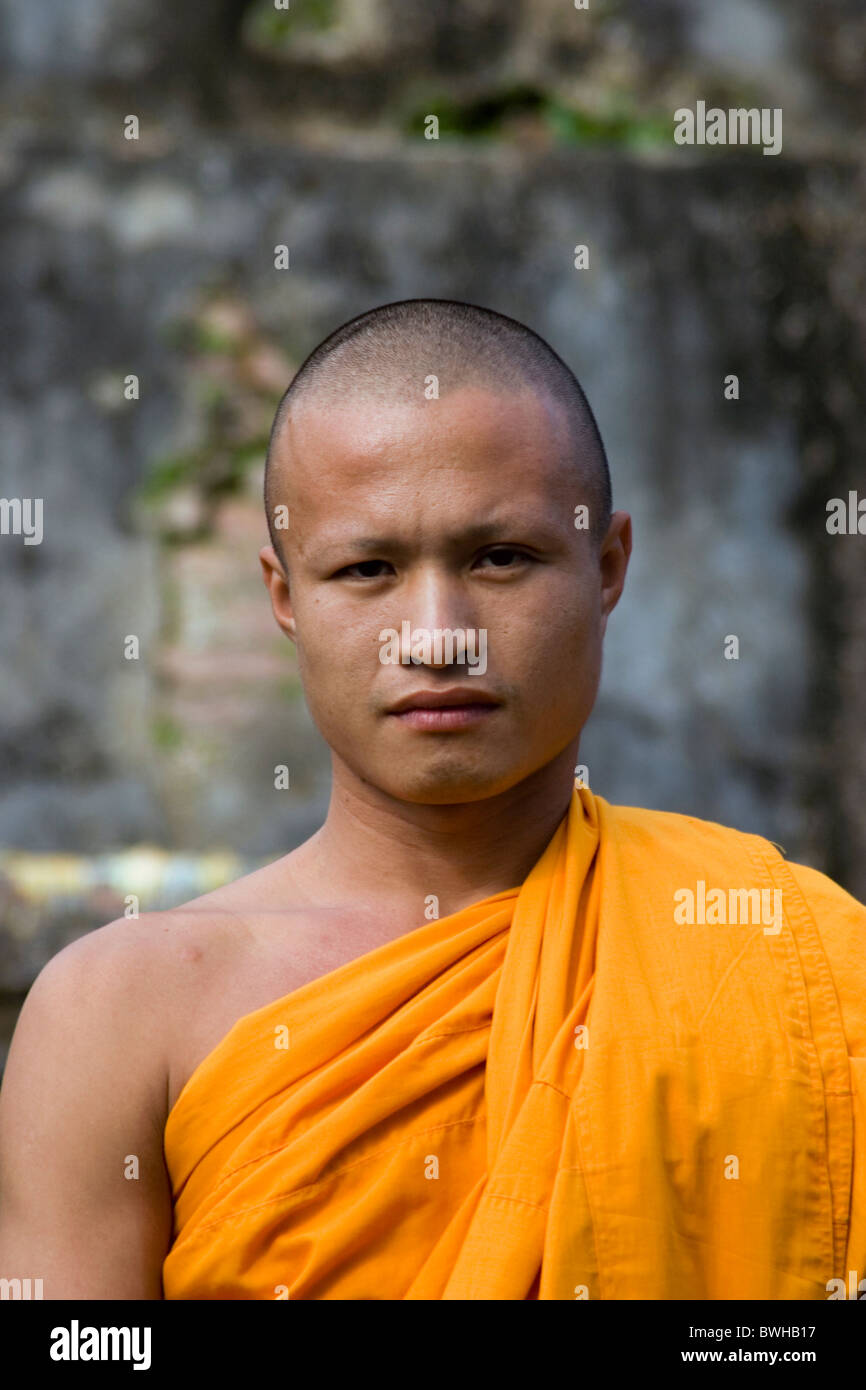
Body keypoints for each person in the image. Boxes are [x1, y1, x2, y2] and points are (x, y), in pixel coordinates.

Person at [0, 299, 863, 1300]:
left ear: (606, 565)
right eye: (366, 569)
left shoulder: (796, 965)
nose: (437, 634)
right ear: (284, 598)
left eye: (499, 558)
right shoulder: (118, 1013)